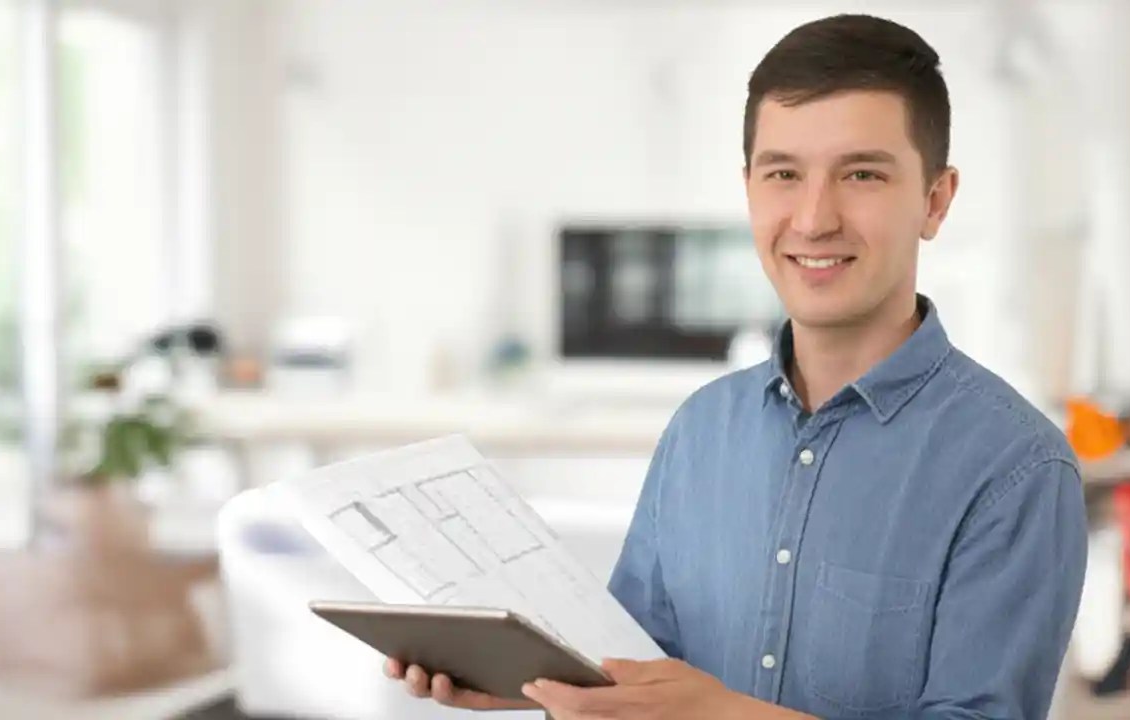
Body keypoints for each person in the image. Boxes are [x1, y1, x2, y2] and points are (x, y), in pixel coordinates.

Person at [386, 13, 1087, 719]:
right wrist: (525, 678)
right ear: (750, 186)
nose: (814, 219)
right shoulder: (700, 430)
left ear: (935, 201)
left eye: (862, 175)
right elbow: (636, 670)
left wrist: (720, 714)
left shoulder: (1015, 468)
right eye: (783, 173)